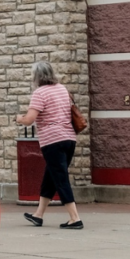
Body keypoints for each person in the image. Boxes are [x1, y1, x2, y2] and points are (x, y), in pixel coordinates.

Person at [15, 60, 83, 229]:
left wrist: (19, 119)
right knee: (50, 178)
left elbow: (29, 119)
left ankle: (75, 218)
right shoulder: (62, 89)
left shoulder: (40, 93)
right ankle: (38, 215)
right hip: (69, 139)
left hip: (53, 141)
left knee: (60, 178)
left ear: (37, 76)